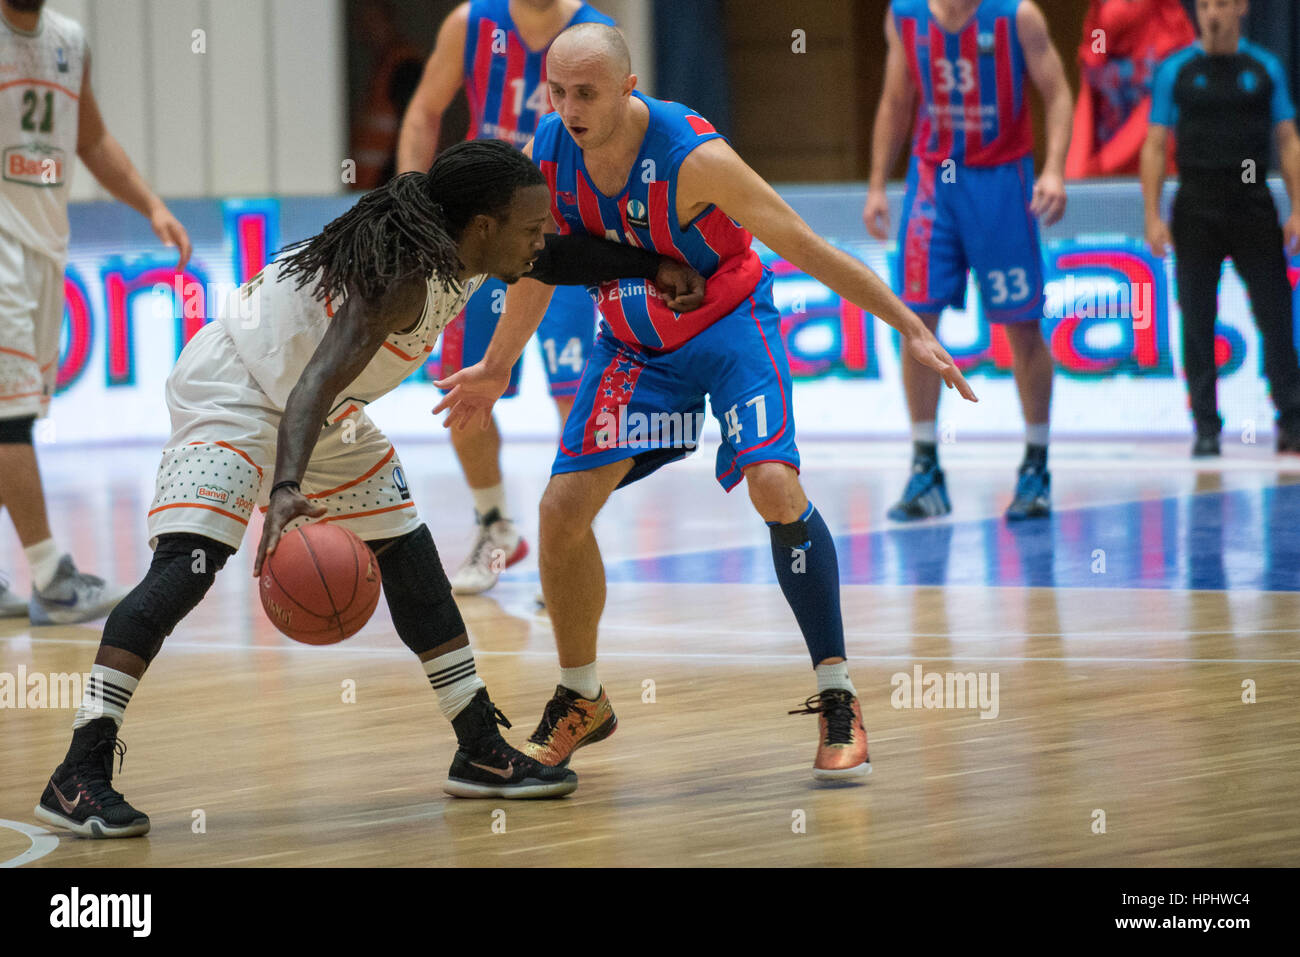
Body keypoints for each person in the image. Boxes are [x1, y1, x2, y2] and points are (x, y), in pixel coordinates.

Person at [32, 139, 705, 838]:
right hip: (236, 390)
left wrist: (651, 265)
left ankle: (480, 749)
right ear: (483, 227)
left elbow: (562, 258)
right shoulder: (404, 277)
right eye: (531, 227)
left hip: (322, 410)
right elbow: (314, 381)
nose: (542, 239)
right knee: (186, 568)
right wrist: (286, 488)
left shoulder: (469, 245)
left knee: (409, 552)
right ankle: (76, 773)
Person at [435, 24, 977, 783]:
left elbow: (802, 241)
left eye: (585, 92)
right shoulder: (550, 151)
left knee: (775, 486)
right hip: (631, 345)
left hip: (727, 332)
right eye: (556, 91)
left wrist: (910, 325)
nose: (566, 107)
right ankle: (582, 697)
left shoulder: (695, 159)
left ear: (629, 87)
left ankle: (837, 693)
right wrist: (494, 368)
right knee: (560, 511)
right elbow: (534, 266)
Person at [397, 0, 615, 596]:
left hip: (563, 229)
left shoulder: (594, 33)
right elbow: (423, 112)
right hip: (481, 235)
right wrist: (411, 205)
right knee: (464, 390)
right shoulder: (471, 24)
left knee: (577, 399)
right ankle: (496, 526)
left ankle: (568, 540)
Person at [0, 0, 191, 622]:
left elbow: (91, 139)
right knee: (9, 415)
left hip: (43, 248)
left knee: (13, 412)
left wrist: (151, 204)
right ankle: (53, 578)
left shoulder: (68, 42)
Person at [863, 0, 1073, 522]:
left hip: (1002, 181)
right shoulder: (906, 16)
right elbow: (895, 100)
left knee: (1022, 327)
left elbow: (1059, 92)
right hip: (934, 180)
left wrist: (1054, 170)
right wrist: (876, 187)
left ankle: (1036, 463)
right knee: (913, 321)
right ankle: (925, 465)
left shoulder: (1016, 16)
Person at [1142, 0, 1300, 457]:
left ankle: (1291, 419)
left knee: (1275, 314)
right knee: (1196, 320)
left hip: (1252, 202)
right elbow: (1155, 145)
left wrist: (1297, 208)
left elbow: (1288, 141)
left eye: (1223, 4)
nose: (1213, 14)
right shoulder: (1177, 72)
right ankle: (1206, 428)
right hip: (1195, 207)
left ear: (1241, 9)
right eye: (1206, 5)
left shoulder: (1264, 67)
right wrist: (1153, 215)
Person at [1066, 0, 1195, 178]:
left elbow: (1153, 117)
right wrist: (1075, 172)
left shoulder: (1171, 40)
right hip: (1101, 180)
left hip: (1154, 177)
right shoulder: (1100, 36)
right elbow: (1087, 106)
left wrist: (1099, 166)